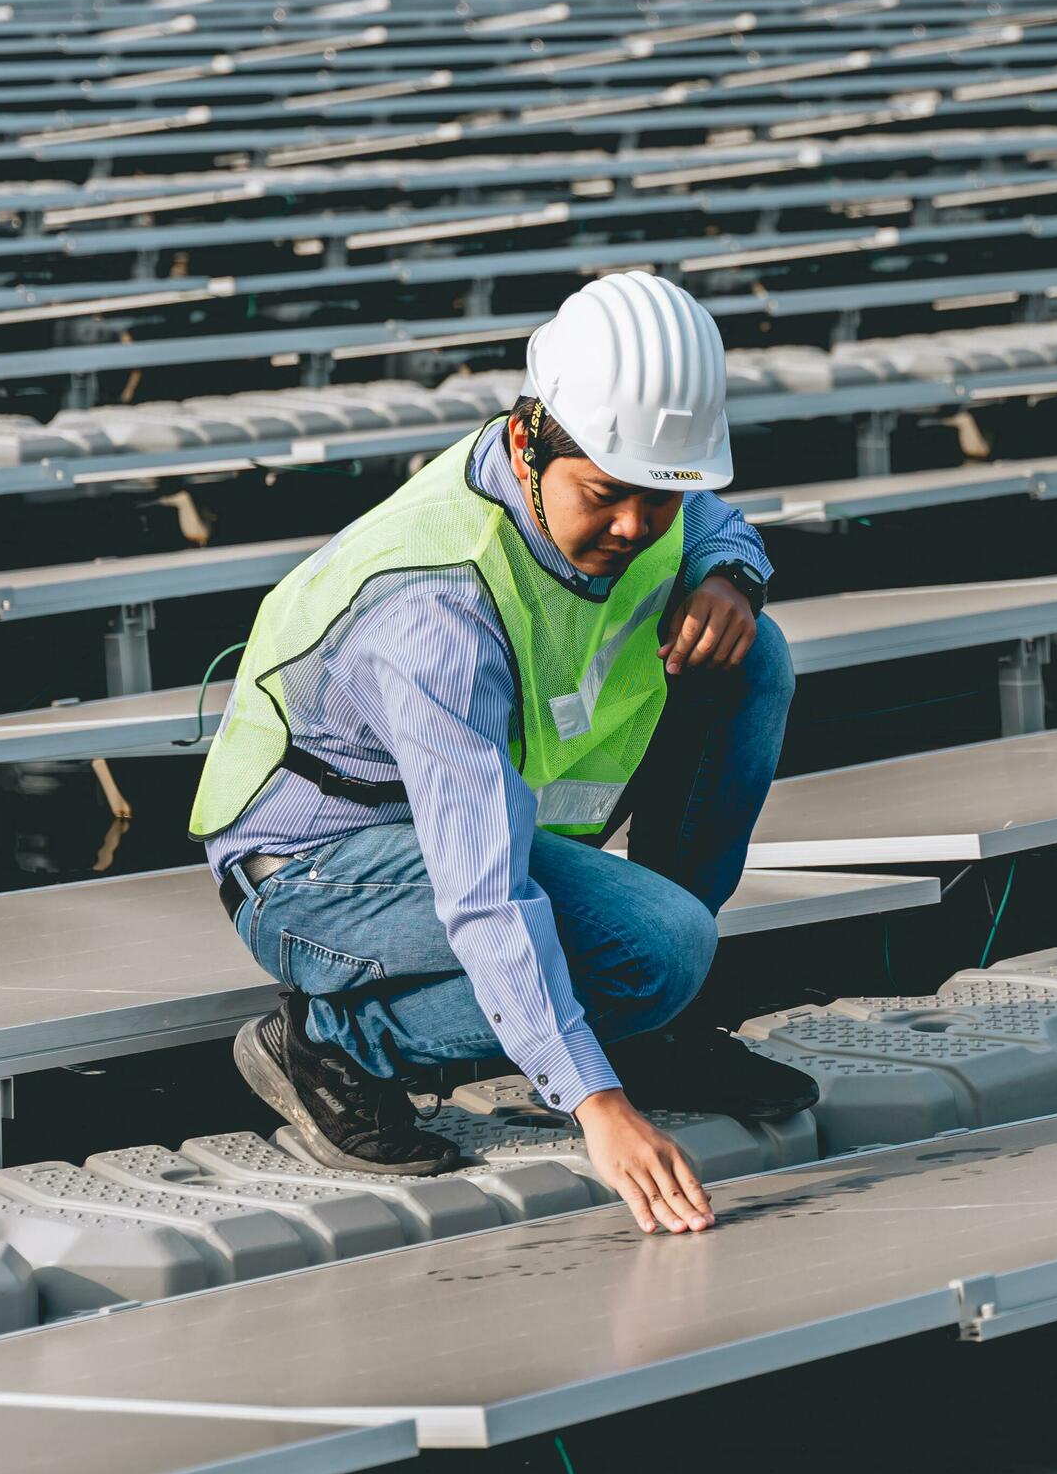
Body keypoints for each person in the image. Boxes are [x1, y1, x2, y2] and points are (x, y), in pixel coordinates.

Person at [189, 271, 813, 1237]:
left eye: (661, 498)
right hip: (317, 867)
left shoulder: (638, 493)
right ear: (527, 441)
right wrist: (593, 1105)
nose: (635, 528)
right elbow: (484, 894)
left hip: (471, 813)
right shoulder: (436, 604)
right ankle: (339, 1045)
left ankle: (656, 1028)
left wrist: (730, 575)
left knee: (748, 651)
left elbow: (711, 522)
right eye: (608, 498)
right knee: (658, 948)